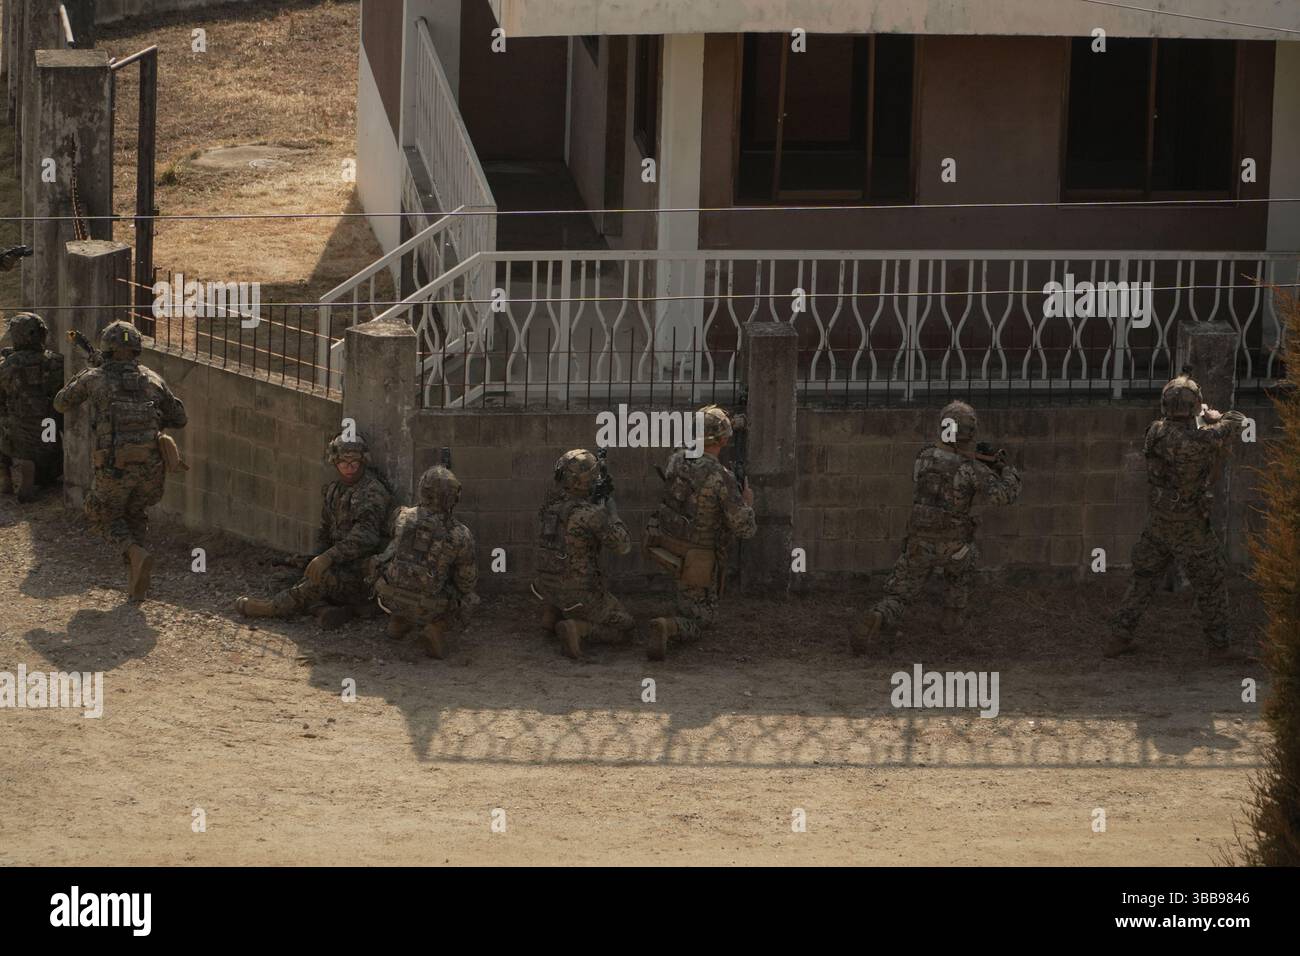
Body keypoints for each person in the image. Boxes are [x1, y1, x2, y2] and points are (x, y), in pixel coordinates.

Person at [852, 401, 1020, 653]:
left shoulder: (923, 457)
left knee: (899, 594)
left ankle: (880, 615)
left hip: (919, 544)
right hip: (955, 548)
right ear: (970, 432)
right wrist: (1004, 468)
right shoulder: (971, 469)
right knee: (962, 569)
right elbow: (1004, 496)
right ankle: (952, 618)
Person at [1106, 374, 1248, 662]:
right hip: (1189, 524)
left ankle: (1119, 638)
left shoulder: (1155, 432)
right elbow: (1236, 421)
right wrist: (1213, 415)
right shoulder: (1201, 438)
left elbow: (1175, 437)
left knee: (1143, 579)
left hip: (1159, 519)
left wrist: (1199, 418)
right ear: (1194, 405)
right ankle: (1219, 648)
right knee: (1210, 583)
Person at [52, 320, 187, 600]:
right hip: (152, 471)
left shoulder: (95, 377)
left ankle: (134, 553)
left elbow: (61, 403)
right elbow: (179, 418)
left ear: (107, 348)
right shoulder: (153, 378)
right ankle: (136, 575)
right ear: (137, 348)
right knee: (135, 513)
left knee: (99, 511)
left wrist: (90, 373)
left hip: (115, 468)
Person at [236, 432, 392, 628]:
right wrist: (314, 559)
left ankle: (272, 608)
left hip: (361, 575)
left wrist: (327, 558)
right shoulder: (334, 490)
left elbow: (366, 537)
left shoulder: (372, 491)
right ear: (335, 462)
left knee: (320, 579)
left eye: (355, 462)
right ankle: (325, 610)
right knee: (283, 577)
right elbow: (325, 531)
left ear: (363, 461)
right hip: (338, 566)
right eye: (344, 462)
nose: (350, 468)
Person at [643, 405, 755, 661]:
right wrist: (747, 501)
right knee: (704, 619)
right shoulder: (721, 477)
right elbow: (744, 528)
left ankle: (682, 608)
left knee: (688, 595)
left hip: (667, 544)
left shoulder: (676, 458)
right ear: (724, 440)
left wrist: (729, 423)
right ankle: (670, 627)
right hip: (697, 558)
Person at [531, 448, 633, 659]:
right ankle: (578, 629)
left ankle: (552, 614)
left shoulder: (550, 507)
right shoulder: (592, 514)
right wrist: (612, 513)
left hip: (545, 586)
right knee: (625, 626)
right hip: (578, 593)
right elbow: (623, 546)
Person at [369, 464, 479, 659]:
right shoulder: (460, 533)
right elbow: (466, 580)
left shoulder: (401, 516)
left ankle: (399, 621)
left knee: (401, 573)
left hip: (387, 595)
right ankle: (436, 628)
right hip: (427, 605)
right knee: (470, 599)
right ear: (453, 498)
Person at [0, 312, 63, 501]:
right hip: (47, 430)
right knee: (50, 468)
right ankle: (42, 473)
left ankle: (4, 474)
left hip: (15, 430)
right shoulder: (56, 362)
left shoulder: (6, 367)